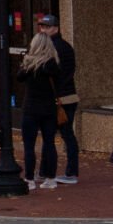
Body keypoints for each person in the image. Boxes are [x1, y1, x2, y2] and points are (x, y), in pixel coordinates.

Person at [37, 14, 81, 184]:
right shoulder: (63, 46)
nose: (44, 30)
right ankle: (65, 172)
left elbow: (59, 75)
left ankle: (64, 172)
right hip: (65, 96)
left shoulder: (56, 48)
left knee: (57, 134)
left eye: (47, 27)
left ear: (56, 28)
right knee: (64, 134)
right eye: (42, 27)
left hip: (60, 98)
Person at [18, 32, 63, 190]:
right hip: (49, 108)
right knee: (49, 143)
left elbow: (19, 77)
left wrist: (27, 58)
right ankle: (51, 178)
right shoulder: (53, 64)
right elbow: (60, 82)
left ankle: (29, 179)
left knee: (29, 145)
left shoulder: (29, 64)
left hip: (31, 108)